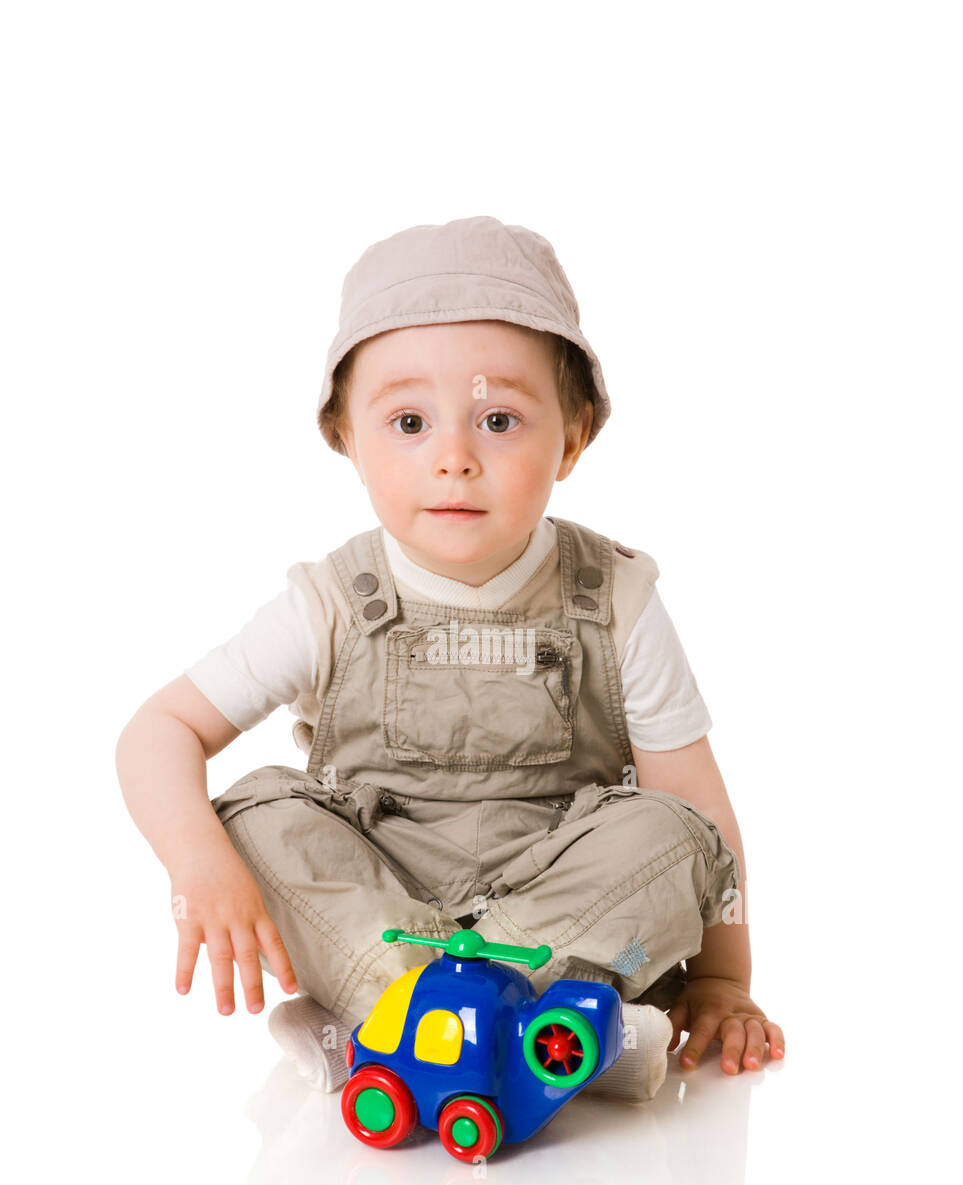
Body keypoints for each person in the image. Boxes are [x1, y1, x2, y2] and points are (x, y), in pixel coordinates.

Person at [115, 215, 785, 1106]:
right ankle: (547, 1037)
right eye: (408, 422)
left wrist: (723, 981)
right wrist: (198, 865)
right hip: (379, 910)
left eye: (498, 420)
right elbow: (159, 729)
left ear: (572, 437)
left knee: (673, 834)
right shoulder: (328, 602)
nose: (454, 460)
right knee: (251, 813)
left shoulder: (616, 598)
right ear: (347, 439)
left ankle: (397, 1032)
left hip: (560, 914)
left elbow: (699, 814)